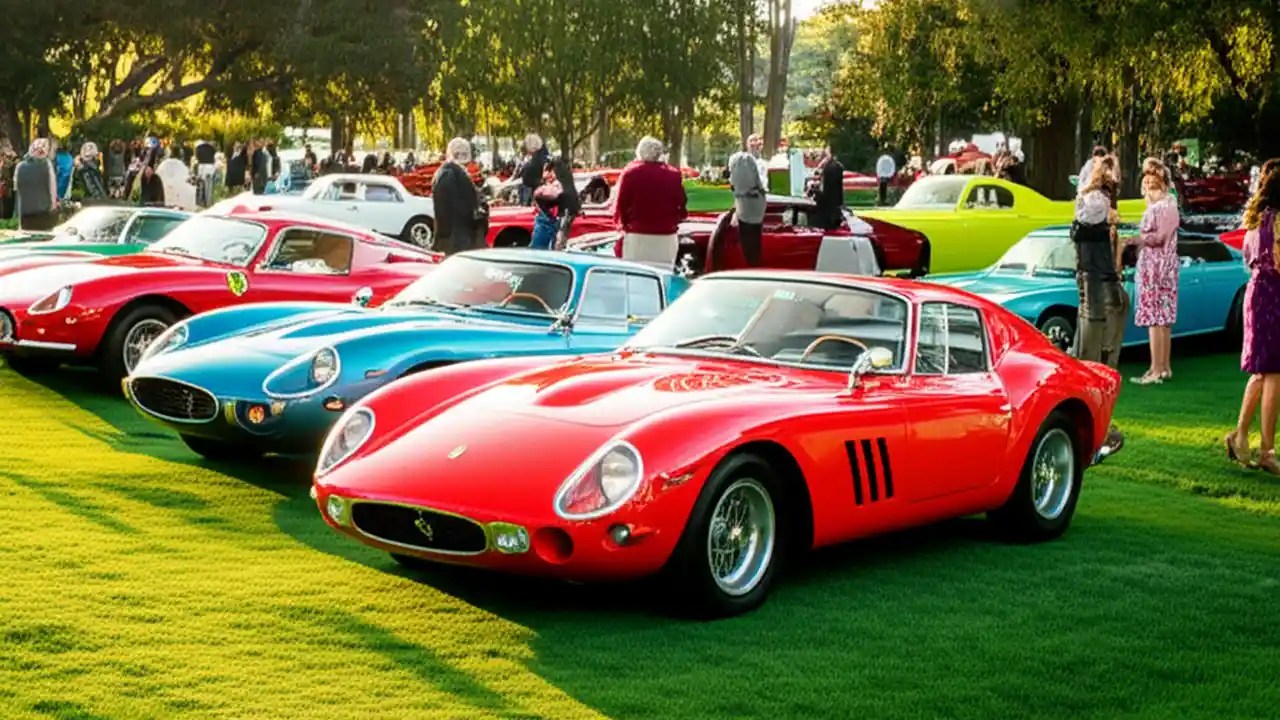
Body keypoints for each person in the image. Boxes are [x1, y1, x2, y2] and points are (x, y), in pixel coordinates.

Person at [1225, 166, 1280, 474]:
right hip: (1274, 294)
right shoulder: (1278, 220)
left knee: (1261, 371)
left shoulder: (1255, 220)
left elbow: (1250, 259)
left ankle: (1240, 434)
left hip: (1256, 292)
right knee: (1273, 373)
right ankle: (1267, 451)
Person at [1072, 155, 1127, 460]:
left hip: (1096, 277)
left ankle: (1096, 376)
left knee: (1101, 318)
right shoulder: (1096, 202)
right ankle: (1094, 422)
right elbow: (1091, 218)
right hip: (1096, 279)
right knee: (1097, 324)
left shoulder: (1093, 199)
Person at [1127, 160, 1180, 385]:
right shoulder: (1168, 205)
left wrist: (1137, 239)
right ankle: (1163, 366)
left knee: (1156, 320)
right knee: (1162, 319)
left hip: (1157, 268)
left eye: (1152, 184)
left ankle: (1156, 368)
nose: (1148, 189)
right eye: (1147, 184)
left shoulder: (1162, 207)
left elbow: (1157, 238)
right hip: (1163, 266)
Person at [612, 136, 687, 270]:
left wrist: (623, 225)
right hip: (666, 237)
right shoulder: (674, 174)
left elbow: (621, 203)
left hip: (638, 235)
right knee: (664, 275)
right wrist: (678, 218)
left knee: (634, 276)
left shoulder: (631, 173)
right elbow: (681, 202)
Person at [431, 137, 483, 255]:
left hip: (447, 234)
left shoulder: (442, 173)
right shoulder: (457, 175)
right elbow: (466, 206)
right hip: (459, 236)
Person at [727, 134, 768, 266]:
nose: (755, 144)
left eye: (757, 141)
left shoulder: (763, 163)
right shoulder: (742, 161)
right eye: (752, 141)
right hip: (751, 205)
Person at [13, 139, 58, 231]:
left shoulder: (20, 166)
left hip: (25, 213)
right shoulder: (47, 165)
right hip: (43, 212)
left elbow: (16, 188)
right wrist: (53, 206)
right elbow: (52, 189)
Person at [809, 144, 845, 231]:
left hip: (827, 210)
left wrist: (815, 191)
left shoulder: (830, 167)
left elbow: (825, 190)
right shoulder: (838, 166)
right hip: (836, 206)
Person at [549, 157, 580, 248]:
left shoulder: (559, 181)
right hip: (573, 207)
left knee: (561, 230)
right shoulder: (568, 176)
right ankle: (563, 245)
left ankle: (559, 247)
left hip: (565, 209)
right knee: (565, 230)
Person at [519, 134, 549, 206]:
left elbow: (544, 173)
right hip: (532, 188)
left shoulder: (541, 157)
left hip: (533, 189)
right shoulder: (539, 156)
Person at [194, 139, 216, 207]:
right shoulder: (211, 148)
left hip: (202, 167)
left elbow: (197, 157)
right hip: (210, 167)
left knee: (201, 185)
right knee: (209, 186)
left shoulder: (198, 148)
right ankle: (208, 203)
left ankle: (200, 202)